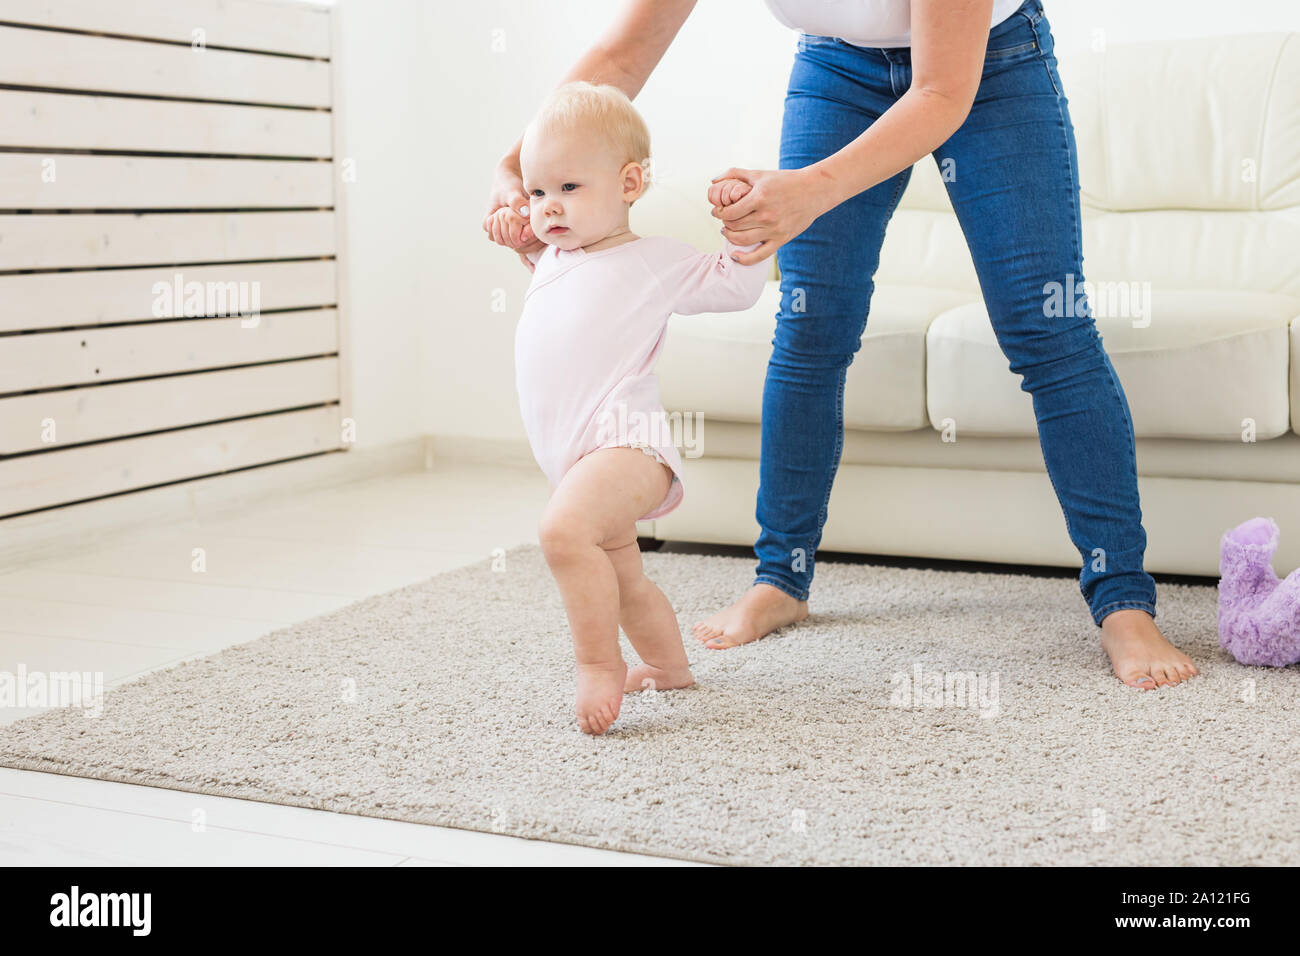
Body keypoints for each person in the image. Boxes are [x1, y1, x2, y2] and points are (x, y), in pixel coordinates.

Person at [484, 0, 1199, 691]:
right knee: (811, 326)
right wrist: (520, 167)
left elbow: (942, 91)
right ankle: (780, 580)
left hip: (990, 65)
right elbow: (623, 51)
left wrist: (811, 191)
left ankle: (1124, 603)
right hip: (836, 68)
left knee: (1048, 328)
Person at [499, 80, 768, 733]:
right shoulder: (556, 260)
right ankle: (670, 667)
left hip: (627, 446)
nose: (548, 207)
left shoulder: (651, 261)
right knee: (624, 580)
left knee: (564, 535)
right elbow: (566, 309)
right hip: (577, 456)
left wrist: (745, 230)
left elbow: (734, 287)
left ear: (628, 184)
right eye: (537, 192)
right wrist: (520, 242)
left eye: (569, 188)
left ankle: (599, 664)